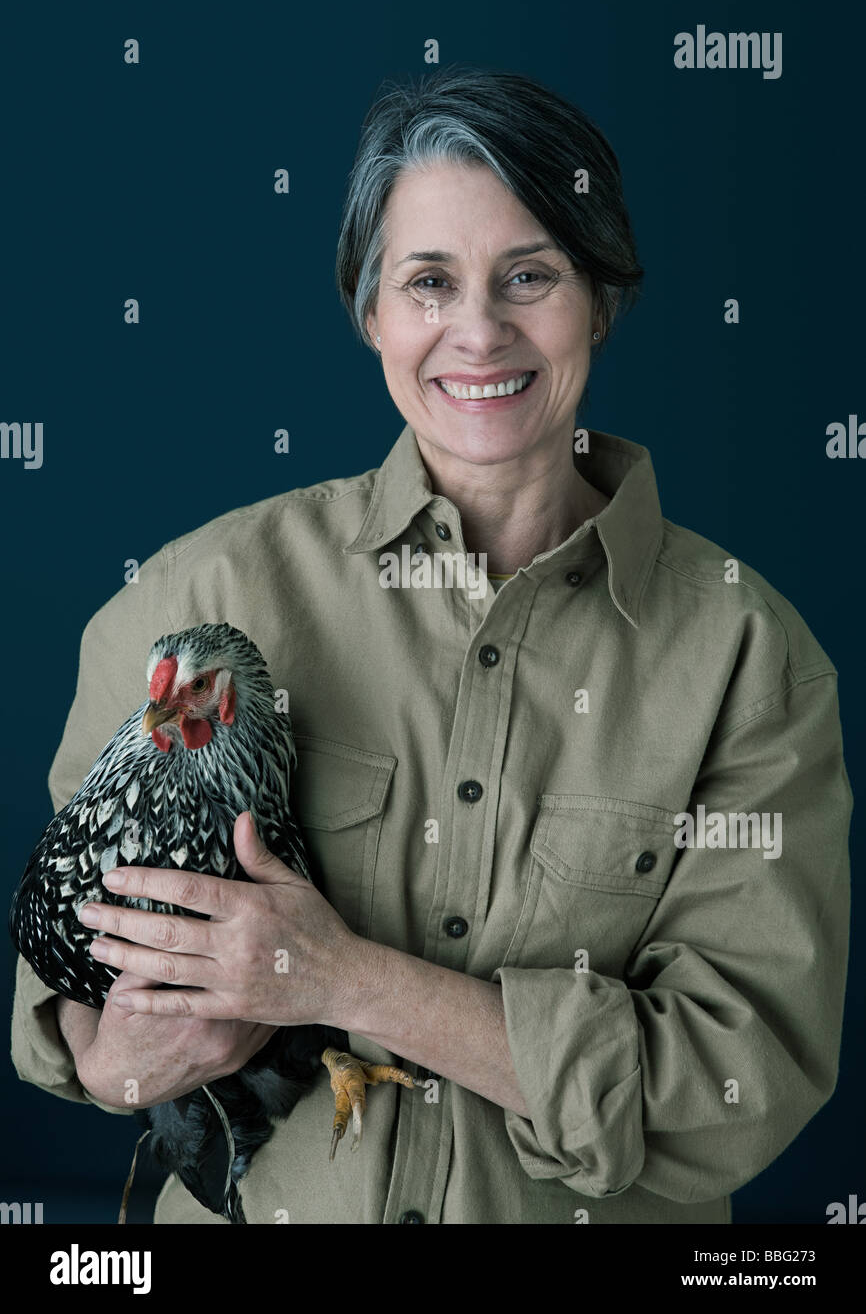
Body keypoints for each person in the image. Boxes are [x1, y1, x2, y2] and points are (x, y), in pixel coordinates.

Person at [11, 66, 852, 1225]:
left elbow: (737, 1085)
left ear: (599, 301)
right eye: (427, 282)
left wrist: (341, 979)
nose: (477, 331)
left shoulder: (745, 659)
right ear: (369, 313)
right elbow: (73, 1020)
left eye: (529, 276)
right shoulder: (192, 598)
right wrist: (131, 1054)